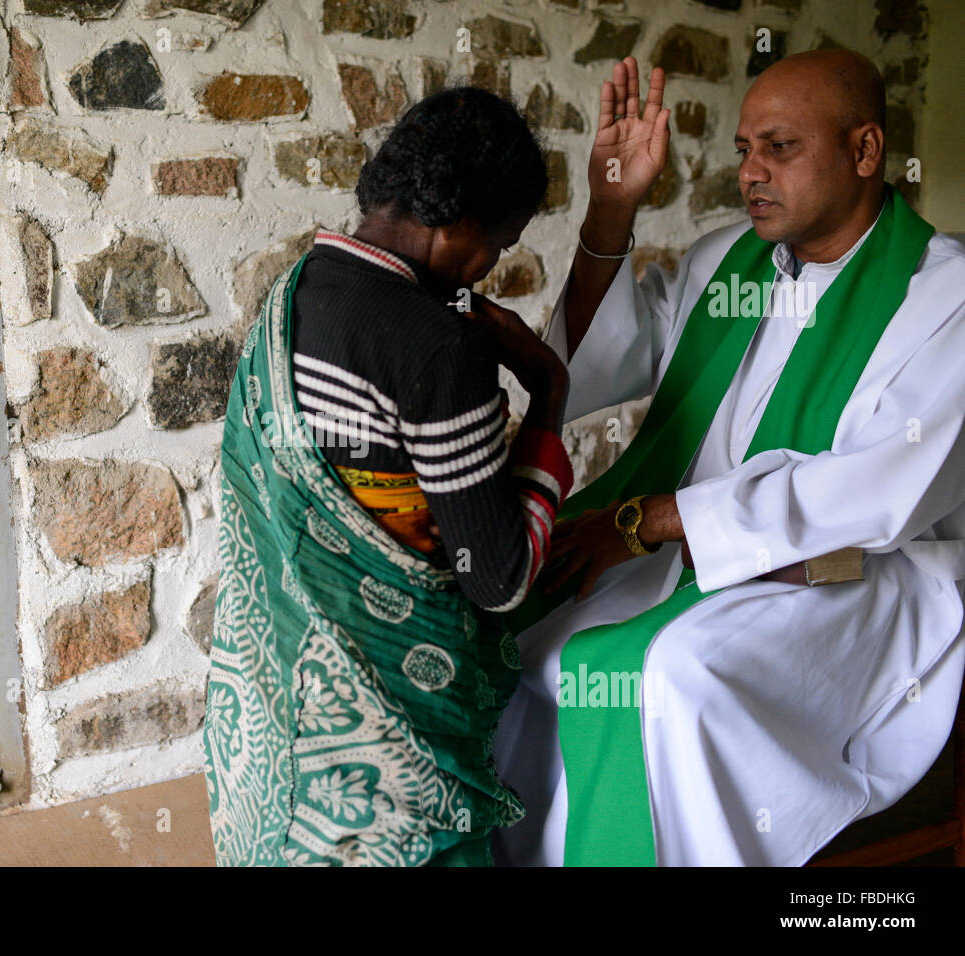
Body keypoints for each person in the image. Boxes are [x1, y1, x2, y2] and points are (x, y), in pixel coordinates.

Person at [491, 52, 965, 867]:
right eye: (745, 150)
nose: (752, 173)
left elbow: (874, 496)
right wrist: (609, 208)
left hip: (861, 575)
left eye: (780, 148)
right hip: (690, 555)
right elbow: (600, 361)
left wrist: (650, 522)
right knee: (510, 613)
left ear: (865, 151)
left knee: (675, 674)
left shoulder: (945, 295)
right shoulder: (726, 266)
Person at [203, 87, 577, 866]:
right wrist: (548, 391)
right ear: (458, 223)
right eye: (499, 244)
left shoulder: (289, 295)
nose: (490, 267)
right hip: (390, 766)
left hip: (279, 733)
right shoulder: (439, 348)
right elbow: (496, 577)